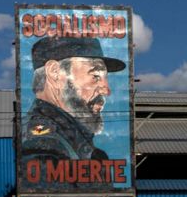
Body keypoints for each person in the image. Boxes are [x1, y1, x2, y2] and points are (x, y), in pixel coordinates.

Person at [20, 35, 125, 164]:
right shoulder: (44, 144)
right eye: (95, 76)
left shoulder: (71, 137)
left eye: (105, 78)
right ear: (54, 72)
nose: (106, 91)